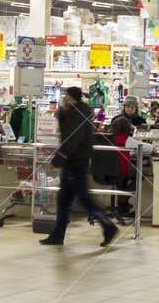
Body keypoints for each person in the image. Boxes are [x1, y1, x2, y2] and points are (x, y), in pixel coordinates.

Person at [40, 86, 120, 247]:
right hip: (76, 160)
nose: (63, 99)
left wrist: (58, 159)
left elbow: (72, 139)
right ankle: (58, 234)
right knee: (64, 200)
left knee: (85, 199)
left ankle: (109, 226)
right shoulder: (78, 111)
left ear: (70, 97)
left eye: (65, 96)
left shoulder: (75, 113)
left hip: (75, 161)